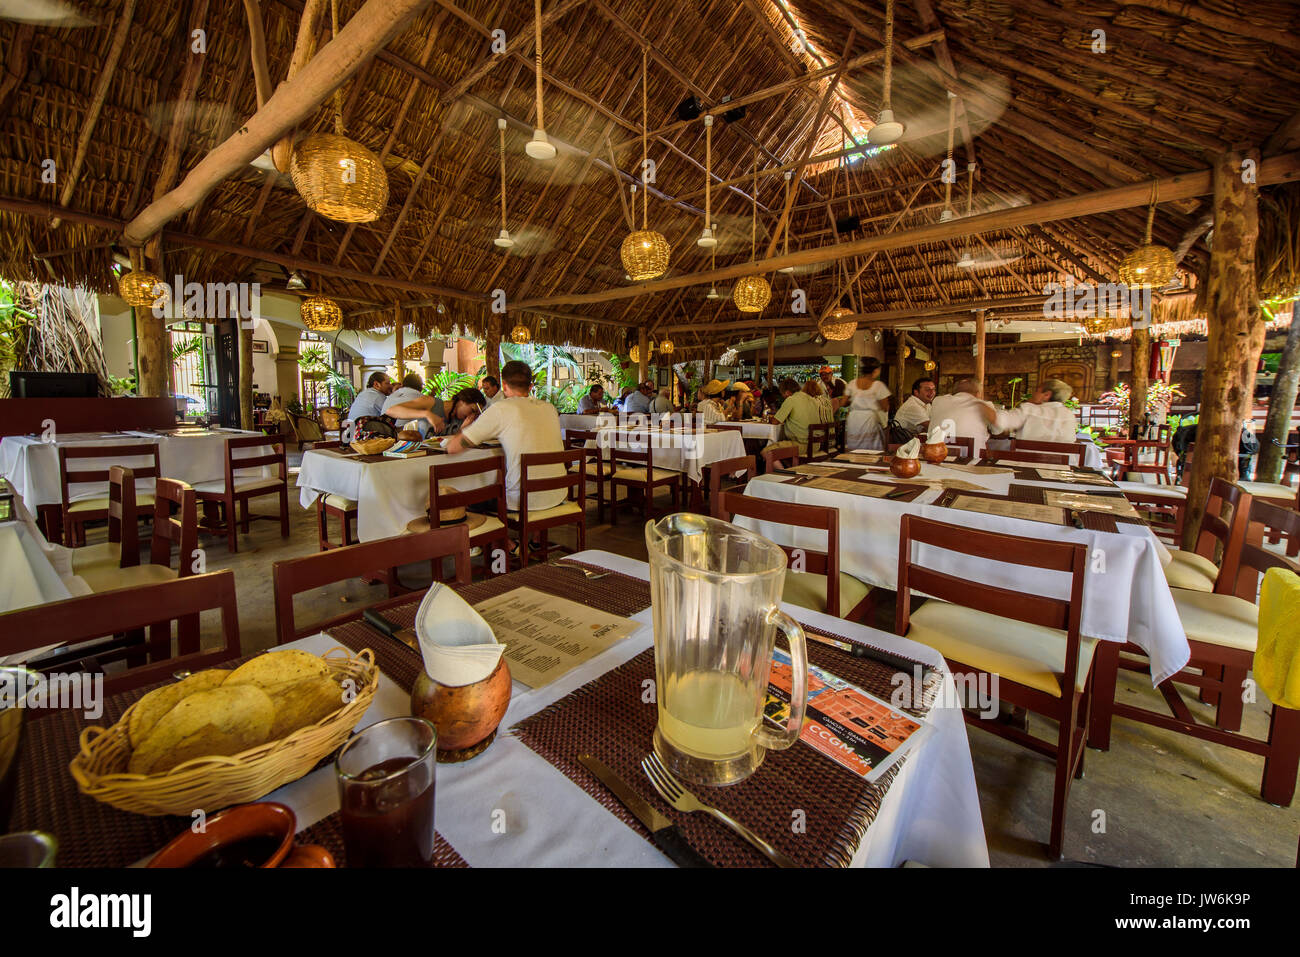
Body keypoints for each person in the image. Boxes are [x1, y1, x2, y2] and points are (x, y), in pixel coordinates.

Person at [444, 360, 566, 520]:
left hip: (521, 500)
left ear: (504, 384)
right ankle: (536, 541)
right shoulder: (549, 408)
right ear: (530, 385)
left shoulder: (501, 409)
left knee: (472, 499)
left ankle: (506, 544)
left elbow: (454, 447)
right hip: (558, 493)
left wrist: (459, 433)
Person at [989, 378, 1079, 443]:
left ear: (1047, 395)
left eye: (1037, 391)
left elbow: (999, 420)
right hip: (1061, 467)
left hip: (1028, 464)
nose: (1033, 393)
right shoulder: (1069, 414)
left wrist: (982, 404)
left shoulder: (1030, 410)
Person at [835, 357, 890, 450]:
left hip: (854, 419)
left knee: (854, 448)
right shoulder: (879, 386)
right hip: (869, 419)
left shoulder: (852, 383)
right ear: (876, 370)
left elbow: (842, 403)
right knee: (870, 450)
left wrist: (855, 400)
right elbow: (885, 407)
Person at [929, 379, 995, 455]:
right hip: (971, 461)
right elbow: (997, 431)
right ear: (977, 394)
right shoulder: (985, 406)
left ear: (953, 392)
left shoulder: (937, 401)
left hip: (936, 457)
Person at [771, 377, 822, 448]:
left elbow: (775, 422)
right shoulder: (811, 399)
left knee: (766, 452)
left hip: (801, 445)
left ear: (787, 392)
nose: (783, 396)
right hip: (816, 445)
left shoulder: (790, 400)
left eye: (782, 394)